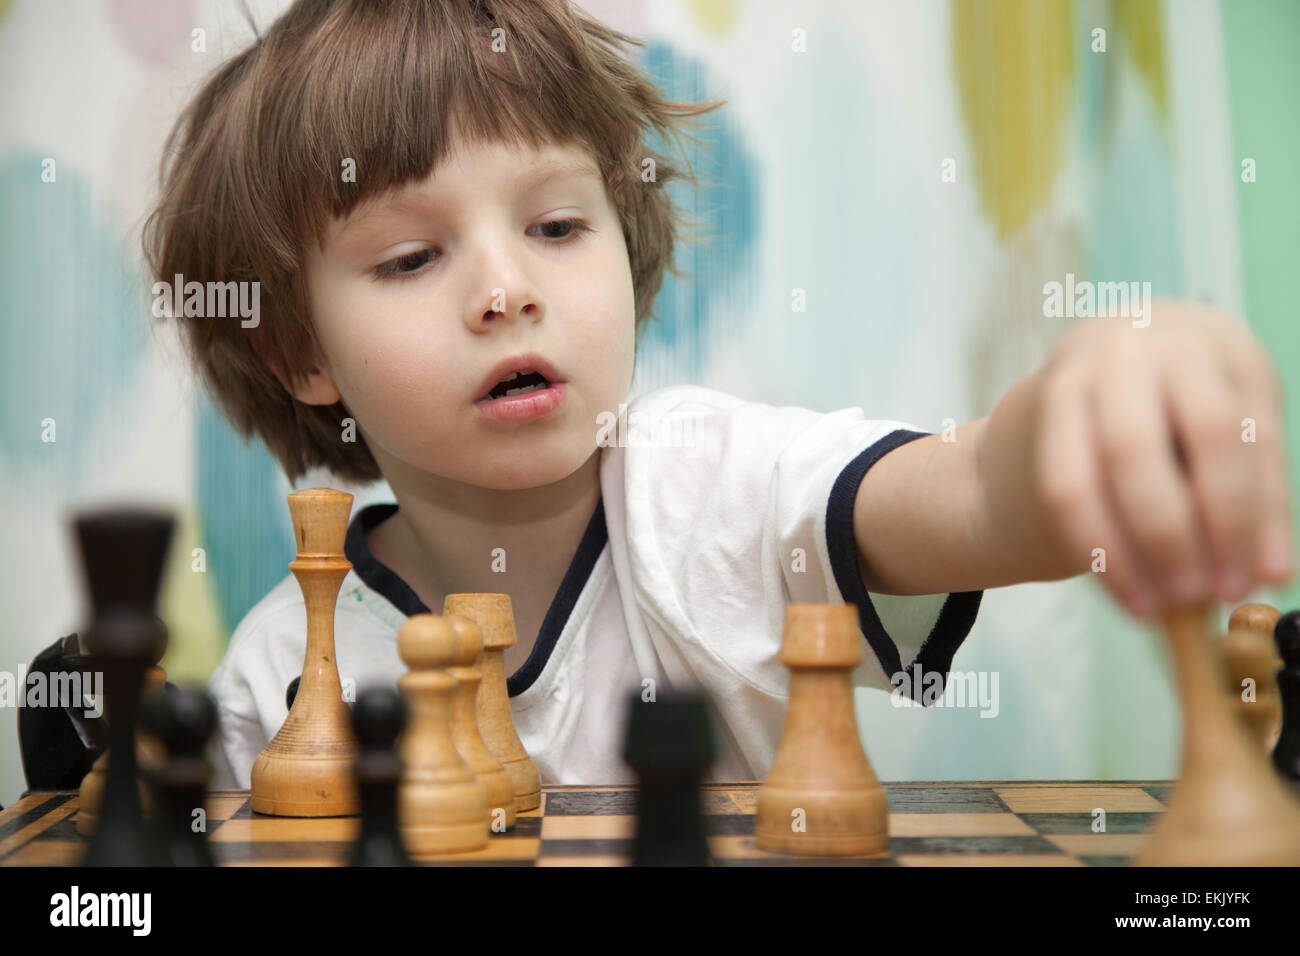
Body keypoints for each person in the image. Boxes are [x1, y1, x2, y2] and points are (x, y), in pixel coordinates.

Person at [141, 0, 1294, 788]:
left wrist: (1106, 379)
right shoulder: (276, 669)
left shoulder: (714, 491)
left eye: (557, 226)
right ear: (300, 349)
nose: (505, 290)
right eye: (409, 257)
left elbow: (981, 489)